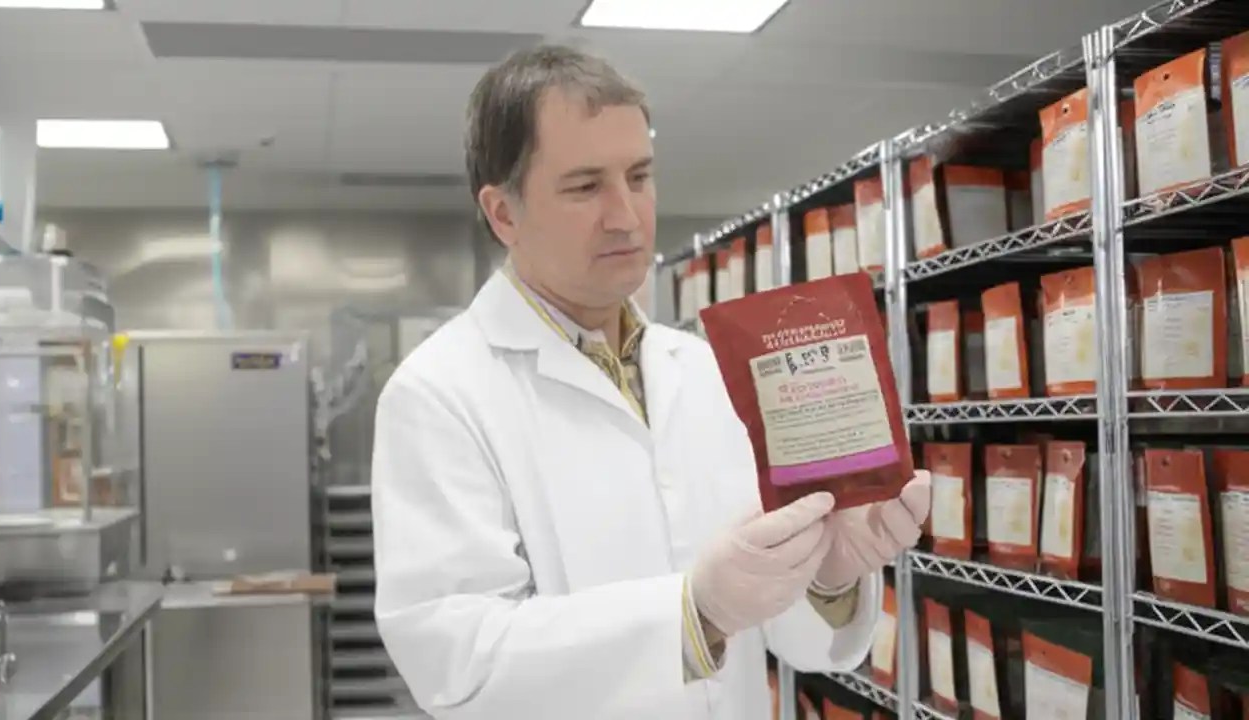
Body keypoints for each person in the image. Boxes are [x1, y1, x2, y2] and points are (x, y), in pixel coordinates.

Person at [371, 45, 930, 720]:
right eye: (585, 187)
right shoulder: (438, 393)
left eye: (639, 177)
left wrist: (829, 573)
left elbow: (791, 640)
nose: (626, 215)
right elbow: (460, 663)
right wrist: (694, 611)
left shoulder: (702, 368)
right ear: (503, 214)